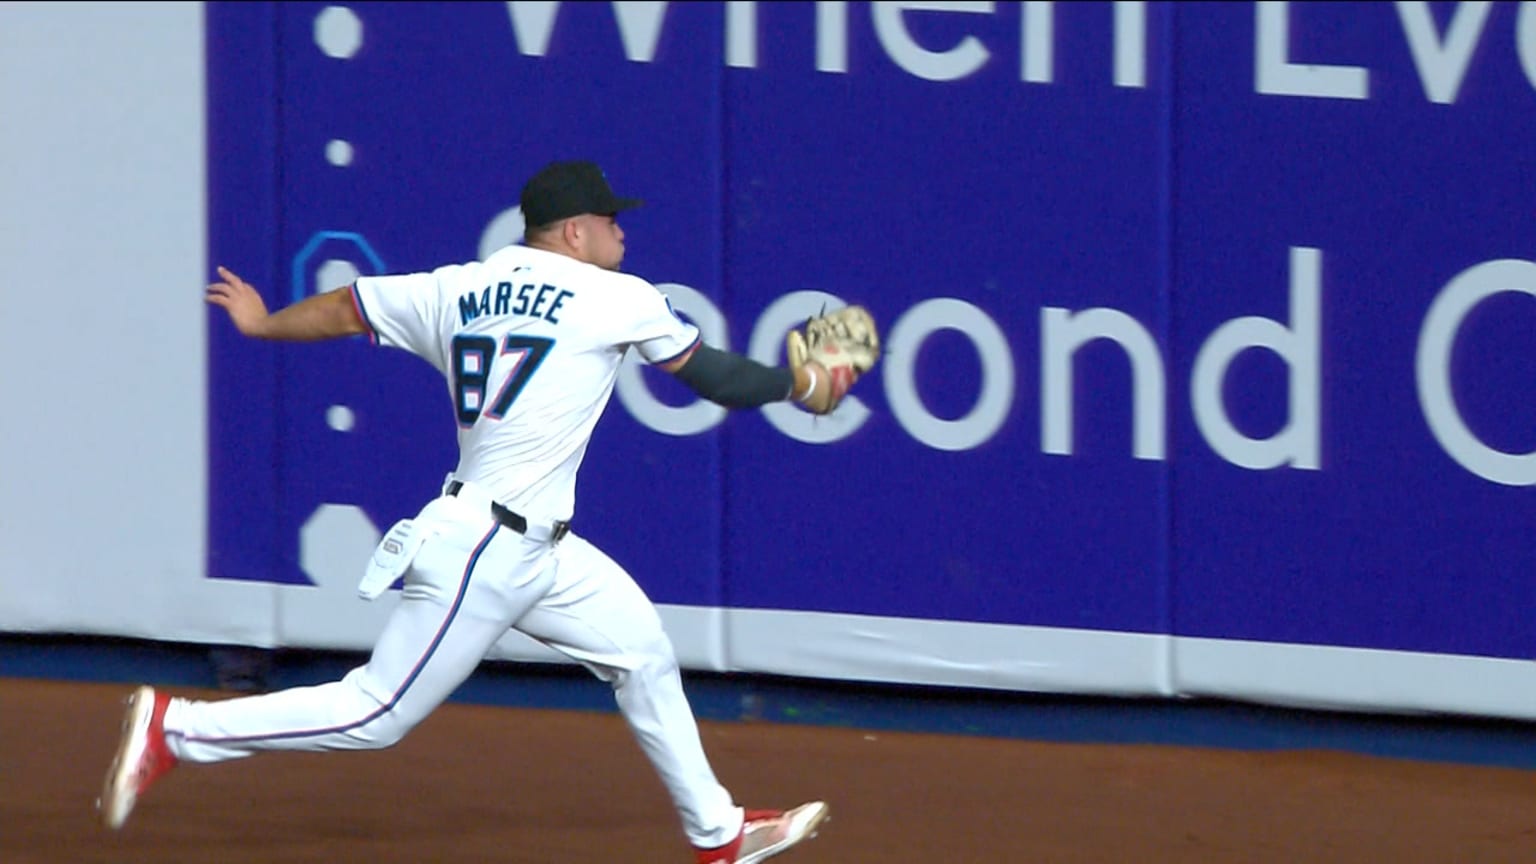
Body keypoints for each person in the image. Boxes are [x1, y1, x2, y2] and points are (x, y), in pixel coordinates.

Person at [98, 160, 854, 864]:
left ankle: (719, 835)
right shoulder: (617, 297)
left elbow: (345, 306)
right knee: (374, 715)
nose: (624, 231)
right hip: (485, 548)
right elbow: (717, 377)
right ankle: (178, 727)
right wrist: (802, 386)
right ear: (573, 232)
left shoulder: (456, 288)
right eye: (611, 220)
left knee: (643, 653)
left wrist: (263, 325)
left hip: (537, 551)